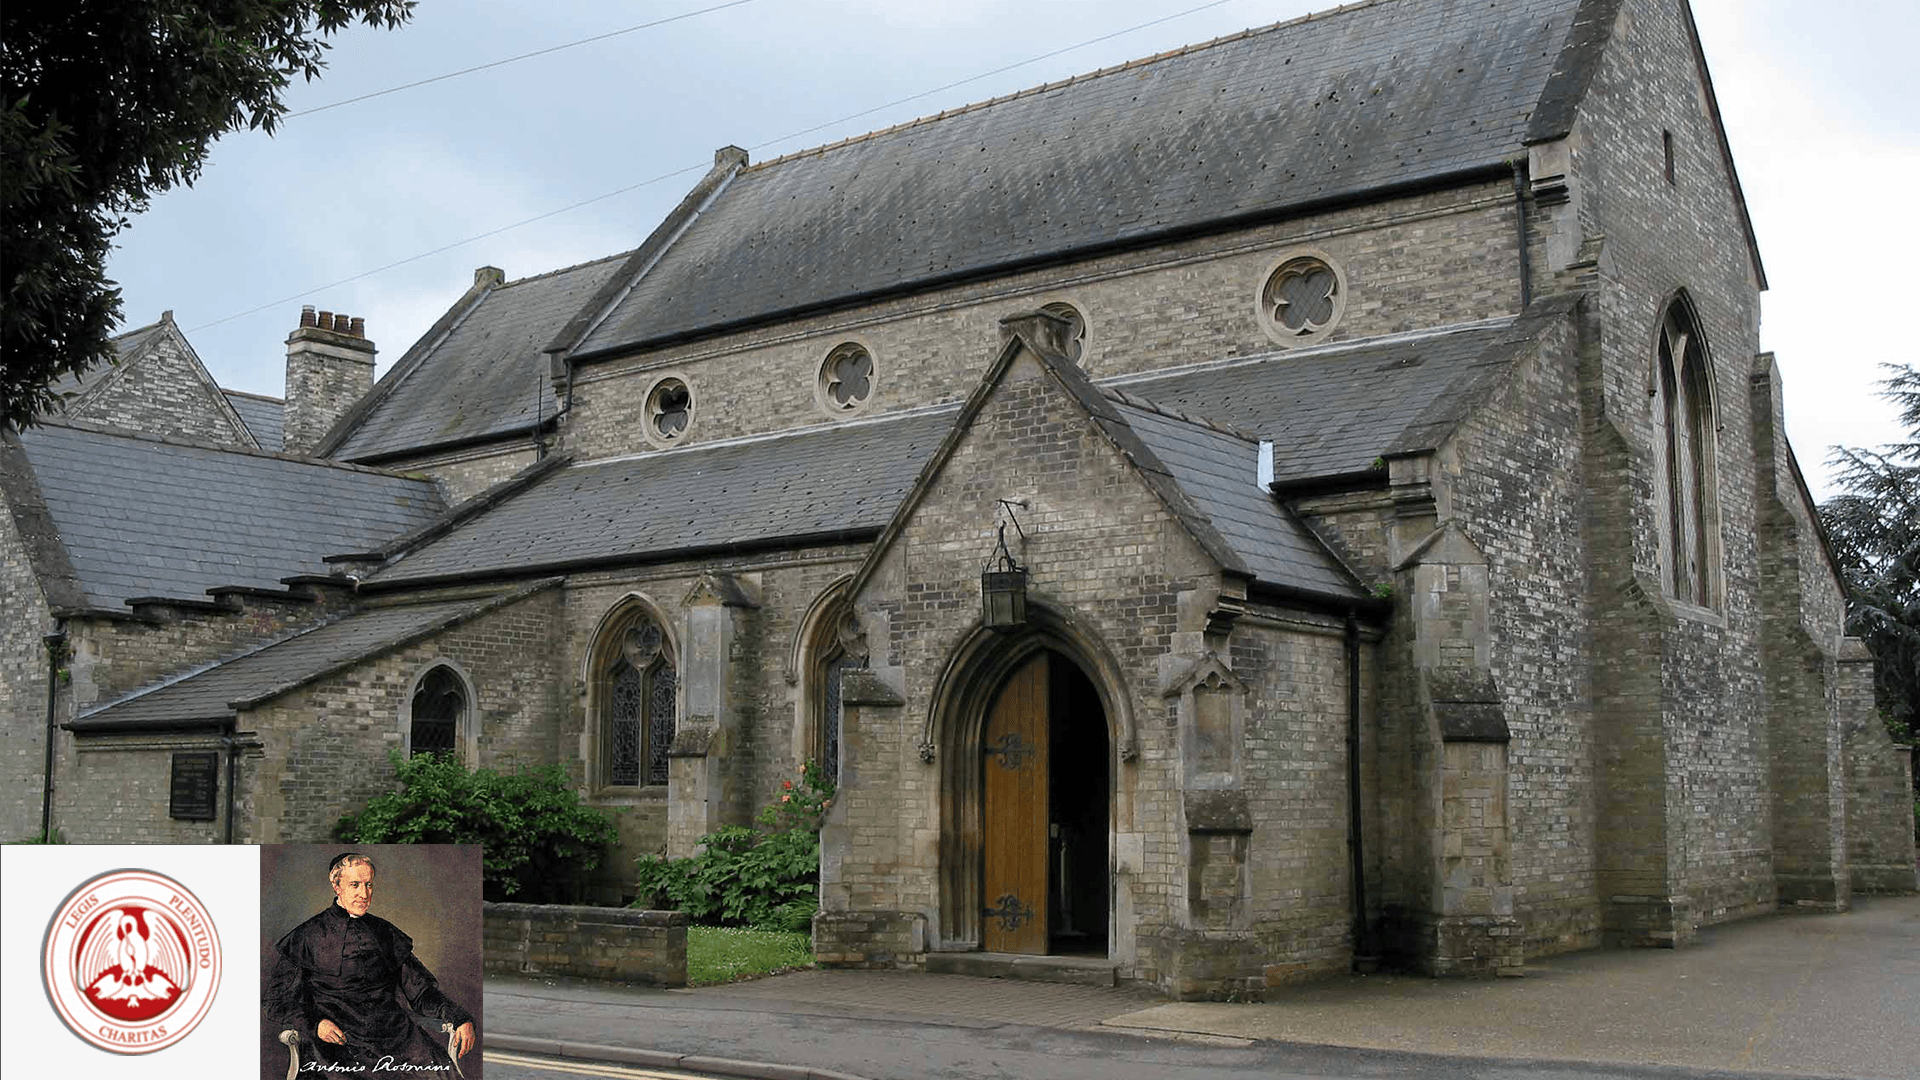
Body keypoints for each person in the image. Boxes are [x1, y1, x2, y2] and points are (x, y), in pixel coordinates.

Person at [265, 853, 476, 1073]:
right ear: (336, 886)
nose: (364, 894)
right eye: (354, 885)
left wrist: (459, 1017)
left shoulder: (385, 932)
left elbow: (422, 992)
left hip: (396, 1040)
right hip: (337, 1047)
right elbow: (275, 1002)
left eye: (368, 885)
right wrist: (316, 1024)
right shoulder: (306, 936)